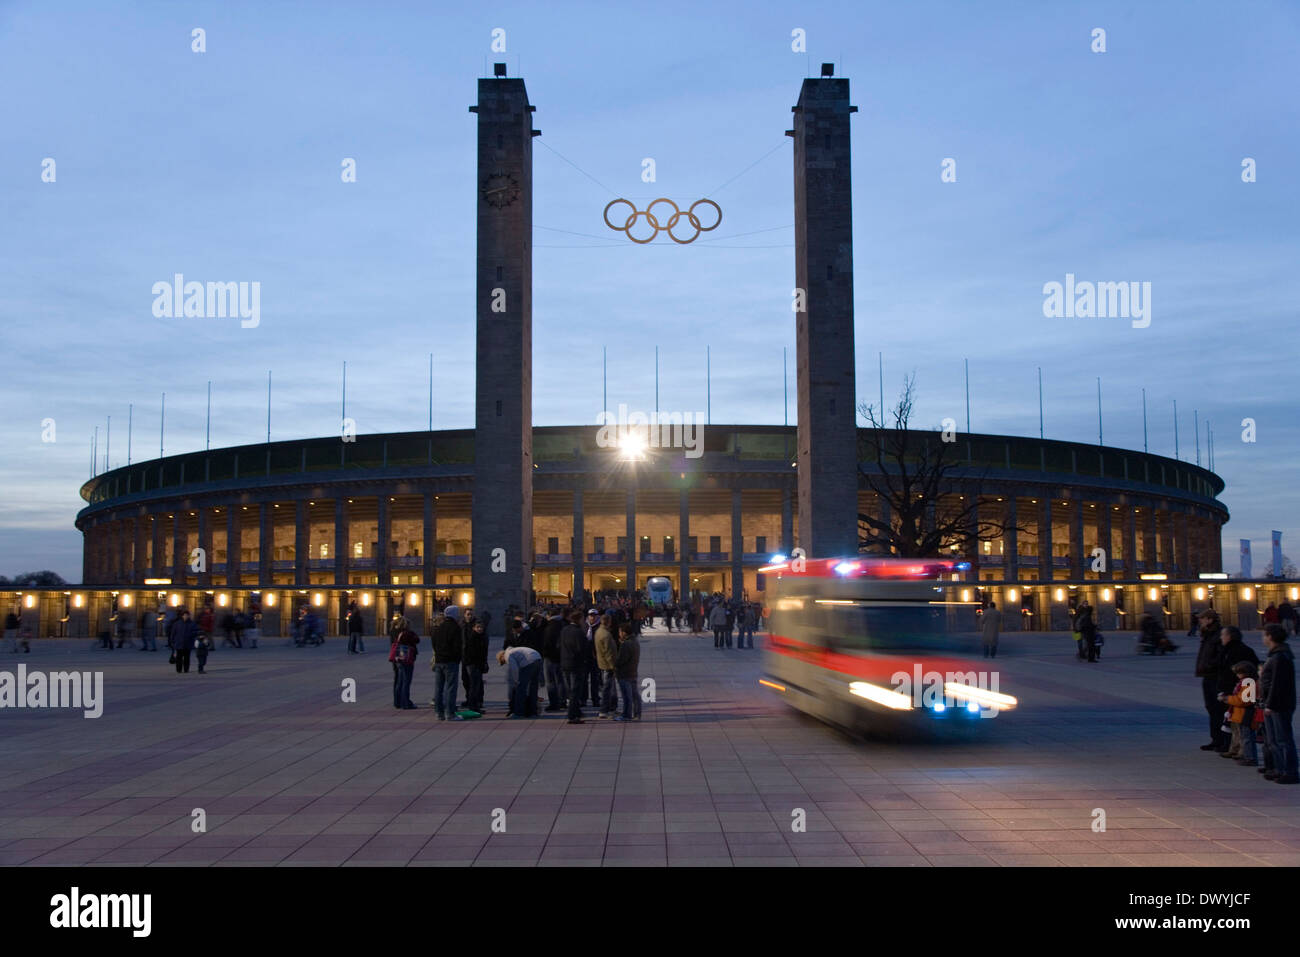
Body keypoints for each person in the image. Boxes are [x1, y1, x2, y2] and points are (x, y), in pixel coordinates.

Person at [1259, 624, 1297, 783]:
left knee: (1282, 739)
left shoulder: (1280, 657)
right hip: (1272, 702)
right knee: (1273, 739)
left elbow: (1278, 683)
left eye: (1264, 635)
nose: (1263, 638)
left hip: (1278, 704)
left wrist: (1270, 704)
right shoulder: (1275, 655)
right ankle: (1278, 768)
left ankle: (1289, 771)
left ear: (1270, 637)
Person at [1194, 610, 1228, 751]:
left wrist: (1210, 665)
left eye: (1202, 619)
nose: (1200, 621)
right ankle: (1215, 739)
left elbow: (1221, 656)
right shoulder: (1207, 635)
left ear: (1209, 620)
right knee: (1211, 708)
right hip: (1207, 675)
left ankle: (1222, 740)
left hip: (1215, 676)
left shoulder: (1217, 635)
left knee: (1218, 709)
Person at [1218, 661, 1259, 766]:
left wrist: (1227, 699)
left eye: (1239, 673)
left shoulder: (1249, 682)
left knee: (1247, 737)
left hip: (1246, 714)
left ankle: (1250, 757)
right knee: (1242, 736)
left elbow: (1243, 700)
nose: (1237, 675)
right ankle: (1244, 754)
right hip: (1240, 713)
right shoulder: (1244, 682)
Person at [430, 606, 463, 720]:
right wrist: (457, 658)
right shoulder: (455, 628)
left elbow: (434, 643)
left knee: (438, 687)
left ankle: (439, 713)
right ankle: (450, 713)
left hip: (439, 661)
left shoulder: (438, 628)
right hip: (451, 661)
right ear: (454, 614)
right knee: (450, 687)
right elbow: (458, 646)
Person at [500, 645, 543, 718]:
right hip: (538, 658)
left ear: (502, 658)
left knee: (520, 689)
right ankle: (533, 712)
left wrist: (517, 681)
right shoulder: (515, 650)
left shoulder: (508, 655)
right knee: (533, 688)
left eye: (504, 662)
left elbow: (514, 669)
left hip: (529, 662)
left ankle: (519, 713)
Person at [614, 622, 641, 721]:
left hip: (625, 673)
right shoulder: (635, 641)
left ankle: (626, 715)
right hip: (633, 671)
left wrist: (615, 664)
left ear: (624, 632)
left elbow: (621, 660)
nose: (619, 634)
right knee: (634, 695)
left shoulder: (626, 644)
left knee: (626, 696)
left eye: (620, 632)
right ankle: (637, 713)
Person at [595, 612, 619, 718]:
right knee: (607, 688)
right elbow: (609, 653)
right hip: (608, 665)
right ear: (608, 622)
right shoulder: (606, 635)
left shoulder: (599, 632)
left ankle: (611, 708)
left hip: (602, 663)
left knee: (609, 687)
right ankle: (604, 709)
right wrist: (613, 666)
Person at [541, 610, 566, 712]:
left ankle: (554, 703)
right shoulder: (562, 624)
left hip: (550, 657)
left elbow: (547, 643)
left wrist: (545, 653)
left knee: (550, 682)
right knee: (560, 681)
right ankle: (562, 701)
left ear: (549, 616)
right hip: (560, 657)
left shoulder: (550, 627)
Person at [462, 618, 488, 714]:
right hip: (473, 665)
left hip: (477, 664)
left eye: (481, 627)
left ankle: (475, 705)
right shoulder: (473, 638)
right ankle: (473, 706)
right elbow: (471, 653)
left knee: (476, 686)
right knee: (474, 686)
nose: (480, 629)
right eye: (478, 627)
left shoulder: (481, 637)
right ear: (474, 628)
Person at [391, 621, 419, 710]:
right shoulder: (408, 634)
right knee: (406, 681)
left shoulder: (395, 632)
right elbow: (417, 640)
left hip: (398, 658)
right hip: (407, 659)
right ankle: (406, 703)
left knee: (400, 681)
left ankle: (397, 701)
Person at [172, 608, 197, 674]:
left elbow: (195, 632)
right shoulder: (177, 623)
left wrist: (192, 637)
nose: (185, 616)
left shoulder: (192, 624)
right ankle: (179, 669)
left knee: (187, 657)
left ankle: (186, 669)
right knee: (179, 657)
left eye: (187, 615)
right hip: (179, 643)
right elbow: (173, 633)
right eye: (184, 615)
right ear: (182, 616)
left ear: (188, 616)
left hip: (188, 643)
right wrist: (172, 641)